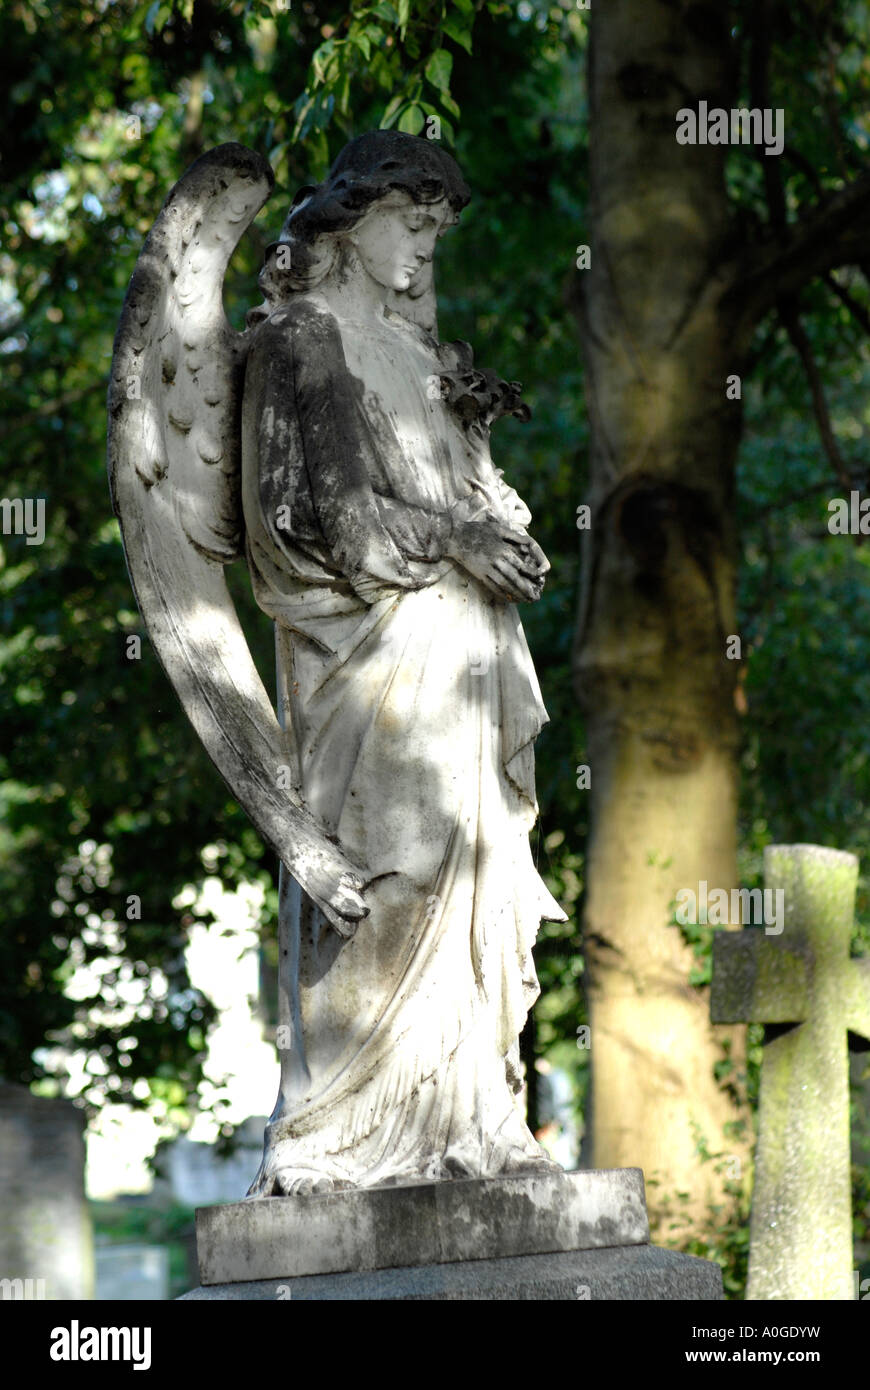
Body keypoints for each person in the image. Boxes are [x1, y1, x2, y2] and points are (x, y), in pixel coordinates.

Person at [241, 131, 566, 1195]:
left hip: (464, 658)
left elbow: (464, 498)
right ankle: (336, 1131)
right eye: (410, 222)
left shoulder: (425, 356)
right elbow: (314, 521)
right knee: (392, 873)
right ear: (351, 221)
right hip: (371, 663)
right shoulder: (301, 339)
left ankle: (475, 1118)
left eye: (437, 231)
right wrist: (455, 541)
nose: (425, 246)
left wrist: (498, 521)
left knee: (480, 879)